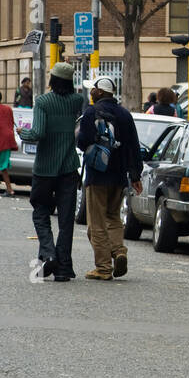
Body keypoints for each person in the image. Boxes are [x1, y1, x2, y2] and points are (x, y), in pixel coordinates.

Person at [20, 62, 86, 281]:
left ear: (52, 80)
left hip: (45, 169)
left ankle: (48, 254)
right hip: (68, 167)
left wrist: (22, 133)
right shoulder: (77, 101)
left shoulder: (43, 102)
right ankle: (64, 267)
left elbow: (37, 132)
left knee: (40, 212)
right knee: (66, 219)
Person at [75, 76, 143, 280]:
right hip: (120, 176)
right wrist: (135, 175)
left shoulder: (91, 112)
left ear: (99, 92)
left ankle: (103, 268)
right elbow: (133, 146)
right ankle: (119, 251)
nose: (90, 92)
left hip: (97, 175)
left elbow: (82, 142)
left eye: (93, 89)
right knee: (113, 217)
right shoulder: (124, 115)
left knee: (96, 223)